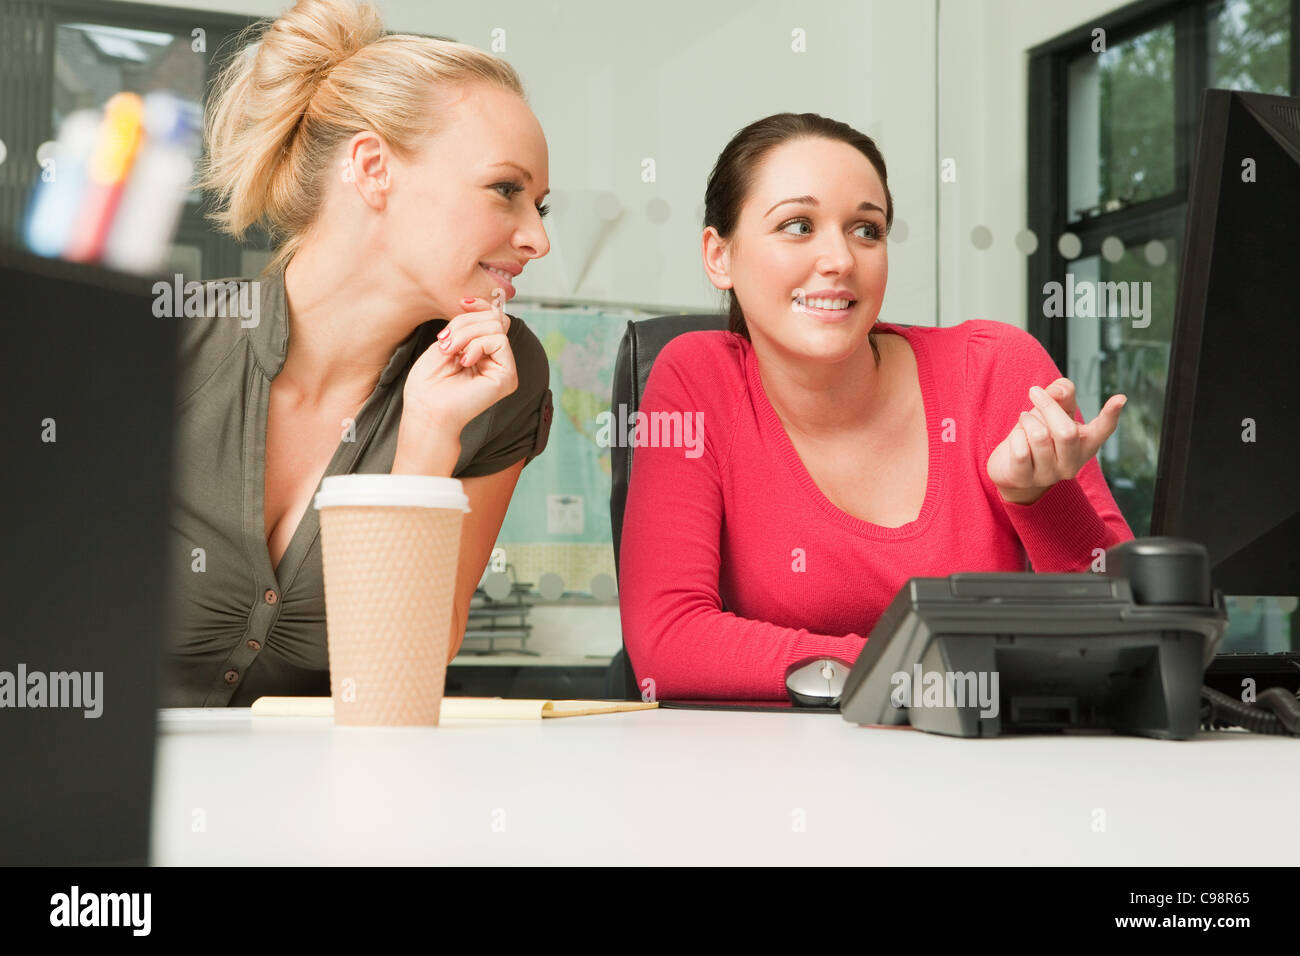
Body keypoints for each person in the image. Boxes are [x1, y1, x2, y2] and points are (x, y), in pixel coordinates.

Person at [617, 112, 1134, 701]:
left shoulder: (995, 368)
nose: (840, 259)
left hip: (987, 764)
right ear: (720, 256)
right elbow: (668, 643)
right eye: (797, 225)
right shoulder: (698, 380)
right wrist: (930, 667)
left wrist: (1040, 499)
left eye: (867, 230)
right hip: (785, 774)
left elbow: (1122, 635)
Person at [166, 0, 554, 706]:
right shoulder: (167, 345)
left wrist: (428, 440)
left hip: (325, 799)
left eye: (540, 206)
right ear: (373, 167)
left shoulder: (499, 377)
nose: (536, 239)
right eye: (506, 191)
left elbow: (399, 676)